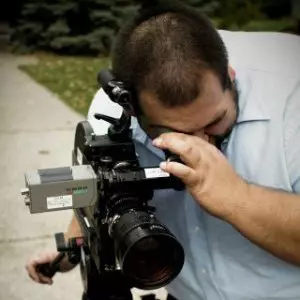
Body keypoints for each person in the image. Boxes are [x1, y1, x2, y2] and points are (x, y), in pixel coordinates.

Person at [26, 1, 300, 299]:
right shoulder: (110, 111)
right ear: (133, 111)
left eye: (214, 122)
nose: (200, 147)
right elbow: (108, 192)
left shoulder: (291, 92)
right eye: (175, 134)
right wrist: (72, 246)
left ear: (230, 76)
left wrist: (236, 196)